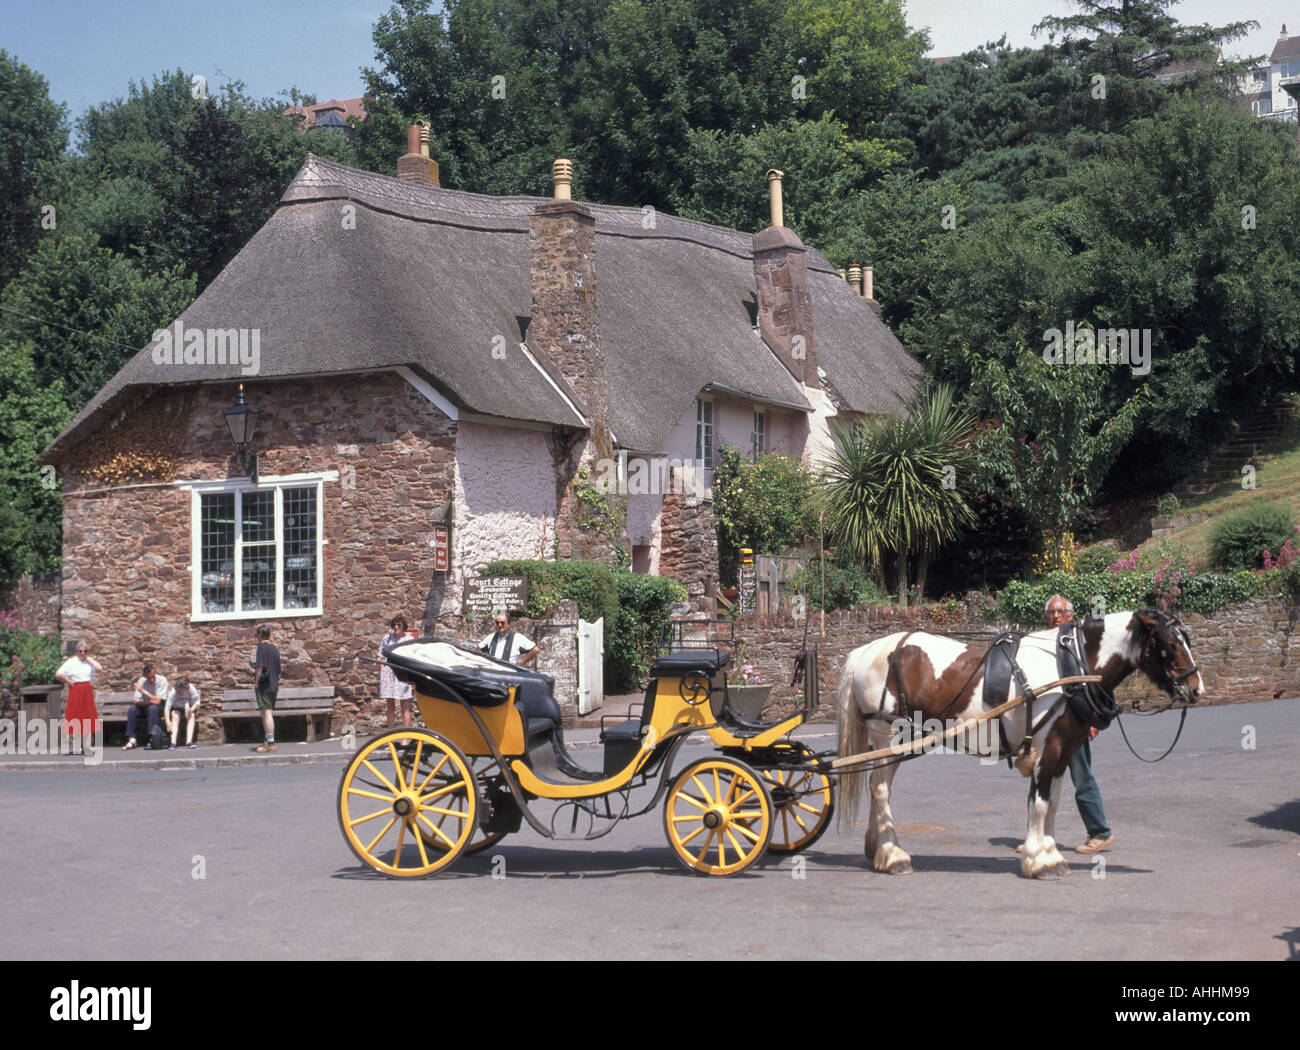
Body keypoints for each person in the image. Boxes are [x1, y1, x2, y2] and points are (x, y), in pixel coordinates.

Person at [1045, 594, 1115, 854]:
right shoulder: (1044, 642)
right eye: (1052, 613)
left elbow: (1097, 681)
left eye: (1061, 612)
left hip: (1075, 722)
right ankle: (1040, 835)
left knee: (1082, 776)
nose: (1056, 617)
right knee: (1042, 779)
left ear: (1070, 615)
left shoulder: (1079, 645)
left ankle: (1100, 833)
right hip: (1047, 725)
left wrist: (1092, 721)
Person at [55, 642, 103, 756]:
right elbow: (58, 674)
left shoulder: (89, 662)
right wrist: (69, 682)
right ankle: (77, 747)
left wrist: (88, 658)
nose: (82, 653)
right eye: (80, 651)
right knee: (76, 717)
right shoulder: (71, 662)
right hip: (76, 689)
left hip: (86, 689)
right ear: (76, 652)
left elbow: (100, 668)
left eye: (85, 651)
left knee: (87, 717)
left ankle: (87, 746)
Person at [378, 615, 415, 728]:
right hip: (389, 673)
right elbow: (381, 657)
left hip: (403, 673)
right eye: (394, 625)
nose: (396, 627)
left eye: (398, 624)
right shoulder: (387, 639)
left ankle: (405, 738)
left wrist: (412, 678)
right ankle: (391, 739)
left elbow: (413, 659)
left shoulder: (409, 640)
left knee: (405, 706)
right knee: (390, 707)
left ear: (403, 626)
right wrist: (382, 674)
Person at [252, 625, 281, 753]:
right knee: (268, 713)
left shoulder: (261, 647)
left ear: (260, 635)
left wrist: (256, 683)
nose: (256, 639)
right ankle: (268, 740)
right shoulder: (275, 648)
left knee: (266, 713)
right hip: (274, 684)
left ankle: (270, 743)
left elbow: (259, 667)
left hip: (265, 685)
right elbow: (279, 671)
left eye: (256, 636)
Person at [125, 663, 168, 750]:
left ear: (155, 673)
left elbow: (159, 701)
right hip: (145, 705)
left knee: (153, 709)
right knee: (132, 710)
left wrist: (144, 692)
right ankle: (132, 738)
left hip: (158, 707)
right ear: (144, 676)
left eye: (153, 677)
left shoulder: (162, 680)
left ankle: (151, 738)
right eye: (149, 678)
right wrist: (149, 702)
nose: (151, 680)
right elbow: (136, 701)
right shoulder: (141, 681)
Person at [166, 676, 201, 749]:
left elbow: (197, 702)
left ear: (186, 688)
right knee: (175, 717)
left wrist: (192, 709)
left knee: (191, 716)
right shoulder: (173, 692)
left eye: (181, 691)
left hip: (188, 707)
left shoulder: (191, 689)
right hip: (177, 708)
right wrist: (168, 722)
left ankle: (189, 741)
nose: (180, 693)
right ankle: (173, 742)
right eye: (178, 692)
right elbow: (167, 708)